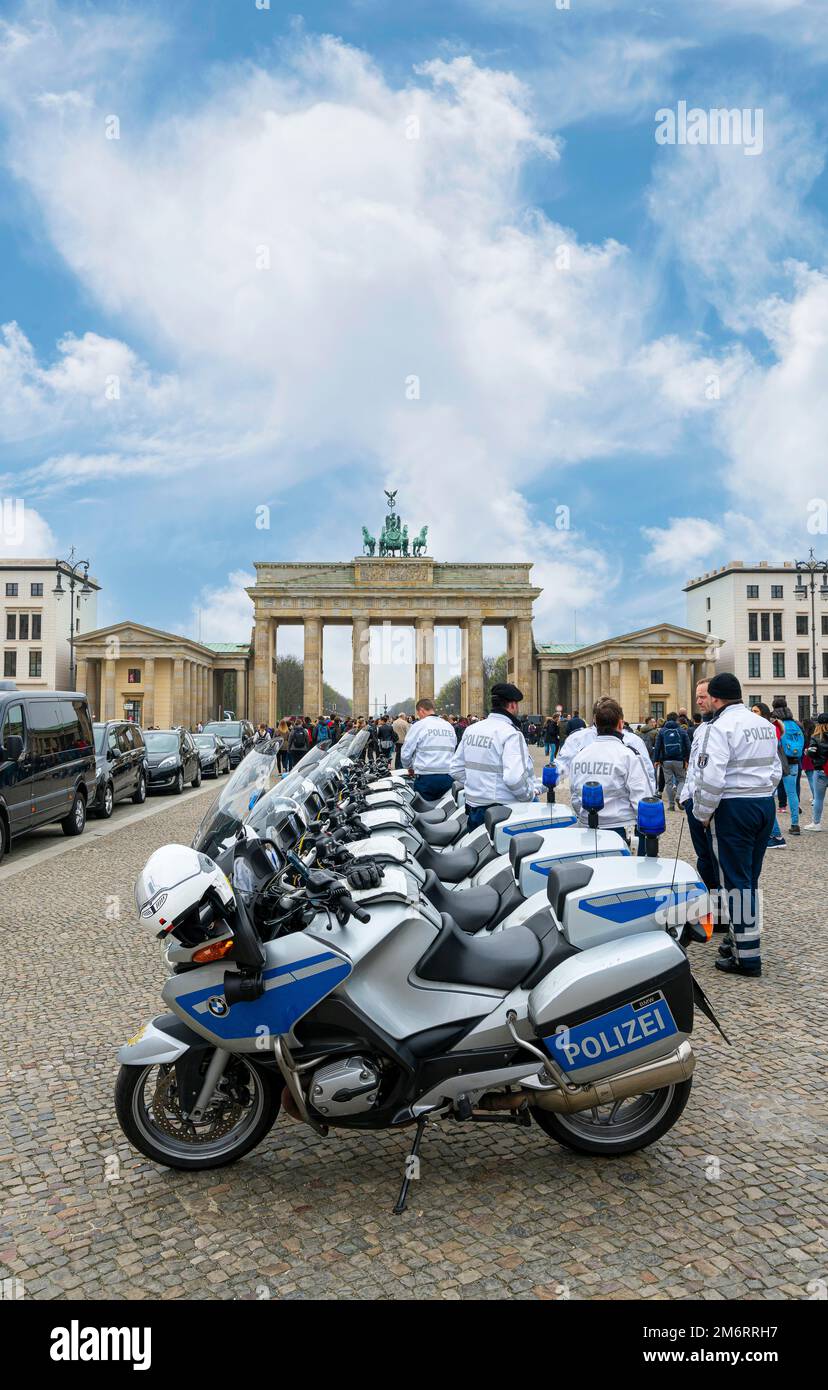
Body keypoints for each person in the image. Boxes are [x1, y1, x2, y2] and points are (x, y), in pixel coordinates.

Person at [680, 672, 780, 979]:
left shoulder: (719, 727)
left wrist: (703, 813)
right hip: (763, 802)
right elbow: (775, 768)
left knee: (735, 882)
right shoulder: (762, 724)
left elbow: (711, 778)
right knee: (749, 875)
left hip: (734, 807)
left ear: (716, 698)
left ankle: (747, 958)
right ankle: (737, 939)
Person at [449, 682, 535, 830]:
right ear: (513, 705)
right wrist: (529, 795)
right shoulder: (511, 734)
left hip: (474, 809)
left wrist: (479, 786)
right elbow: (513, 778)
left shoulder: (471, 730)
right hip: (503, 811)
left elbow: (455, 769)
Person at [568, 697, 653, 840]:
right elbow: (643, 799)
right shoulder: (629, 756)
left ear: (596, 723)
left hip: (587, 828)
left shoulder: (579, 756)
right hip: (622, 829)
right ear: (620, 724)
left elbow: (575, 797)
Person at [400, 698, 457, 799]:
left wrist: (409, 767)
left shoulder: (419, 725)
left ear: (421, 710)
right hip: (448, 776)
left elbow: (406, 753)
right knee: (447, 810)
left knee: (424, 811)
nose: (419, 716)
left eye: (418, 714)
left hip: (426, 778)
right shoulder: (448, 726)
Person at [769, 699, 804, 837]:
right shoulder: (796, 724)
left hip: (778, 762)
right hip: (794, 761)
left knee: (769, 795)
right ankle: (795, 825)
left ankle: (772, 827)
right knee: (792, 793)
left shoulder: (775, 724)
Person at [653, 711, 692, 811]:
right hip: (680, 760)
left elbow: (657, 747)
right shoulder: (681, 731)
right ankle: (678, 795)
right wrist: (688, 760)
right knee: (682, 779)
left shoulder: (662, 731)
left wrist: (656, 760)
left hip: (666, 761)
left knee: (668, 783)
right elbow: (688, 747)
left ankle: (671, 805)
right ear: (677, 719)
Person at [803, 719, 828, 831]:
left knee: (818, 799)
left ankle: (816, 823)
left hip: (820, 770)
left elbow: (812, 752)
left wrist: (807, 752)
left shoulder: (816, 737)